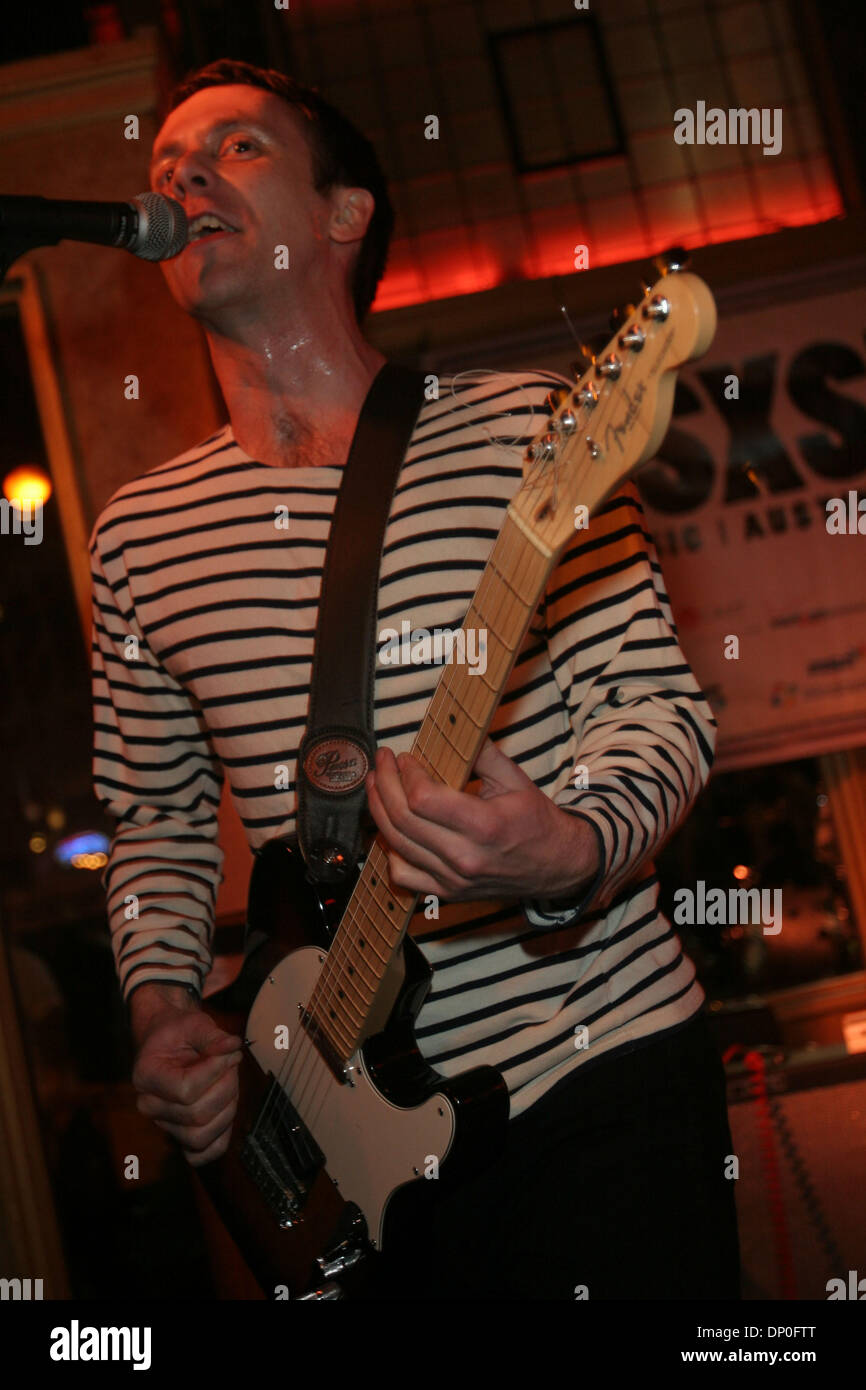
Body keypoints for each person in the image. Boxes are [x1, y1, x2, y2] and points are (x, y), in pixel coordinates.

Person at [90, 59, 740, 1300]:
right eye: (167, 163)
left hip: (589, 1075)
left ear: (345, 216)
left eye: (235, 148)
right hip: (333, 1149)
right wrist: (162, 1006)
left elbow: (653, 707)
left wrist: (567, 847)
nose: (181, 175)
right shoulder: (136, 537)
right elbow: (159, 821)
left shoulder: (528, 430)